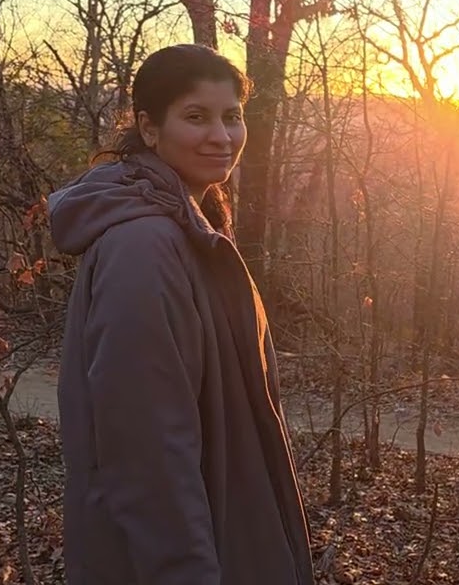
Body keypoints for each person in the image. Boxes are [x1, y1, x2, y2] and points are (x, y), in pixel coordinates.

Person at [48, 44, 314, 584]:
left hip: (223, 532)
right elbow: (147, 451)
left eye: (232, 117)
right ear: (149, 128)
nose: (221, 136)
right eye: (196, 117)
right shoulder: (144, 246)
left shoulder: (190, 225)